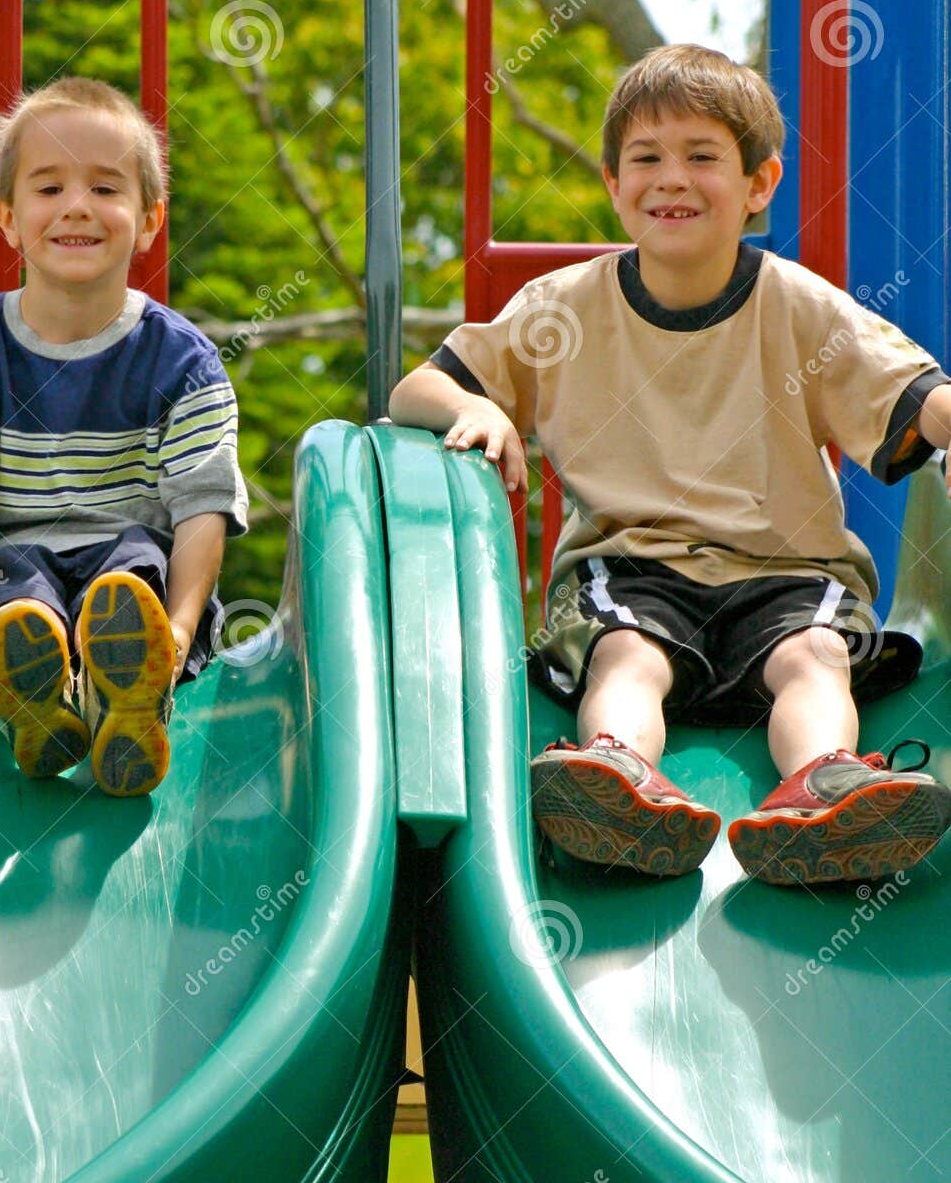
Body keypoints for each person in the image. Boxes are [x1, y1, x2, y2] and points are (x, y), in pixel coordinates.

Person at [390, 44, 951, 887]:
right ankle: (613, 774)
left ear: (759, 185)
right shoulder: (563, 310)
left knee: (813, 656)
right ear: (613, 185)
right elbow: (415, 388)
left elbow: (912, 392)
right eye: (645, 159)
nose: (671, 179)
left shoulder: (795, 304)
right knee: (625, 654)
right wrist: (472, 404)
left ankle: (827, 789)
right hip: (634, 569)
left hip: (785, 571)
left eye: (701, 157)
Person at [0, 77, 248, 797]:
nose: (77, 207)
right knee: (18, 592)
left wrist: (180, 632)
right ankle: (32, 689)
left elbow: (200, 509)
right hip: (4, 561)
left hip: (130, 561)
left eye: (106, 189)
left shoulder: (184, 361)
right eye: (49, 188)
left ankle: (126, 684)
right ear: (7, 217)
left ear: (150, 219)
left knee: (128, 575)